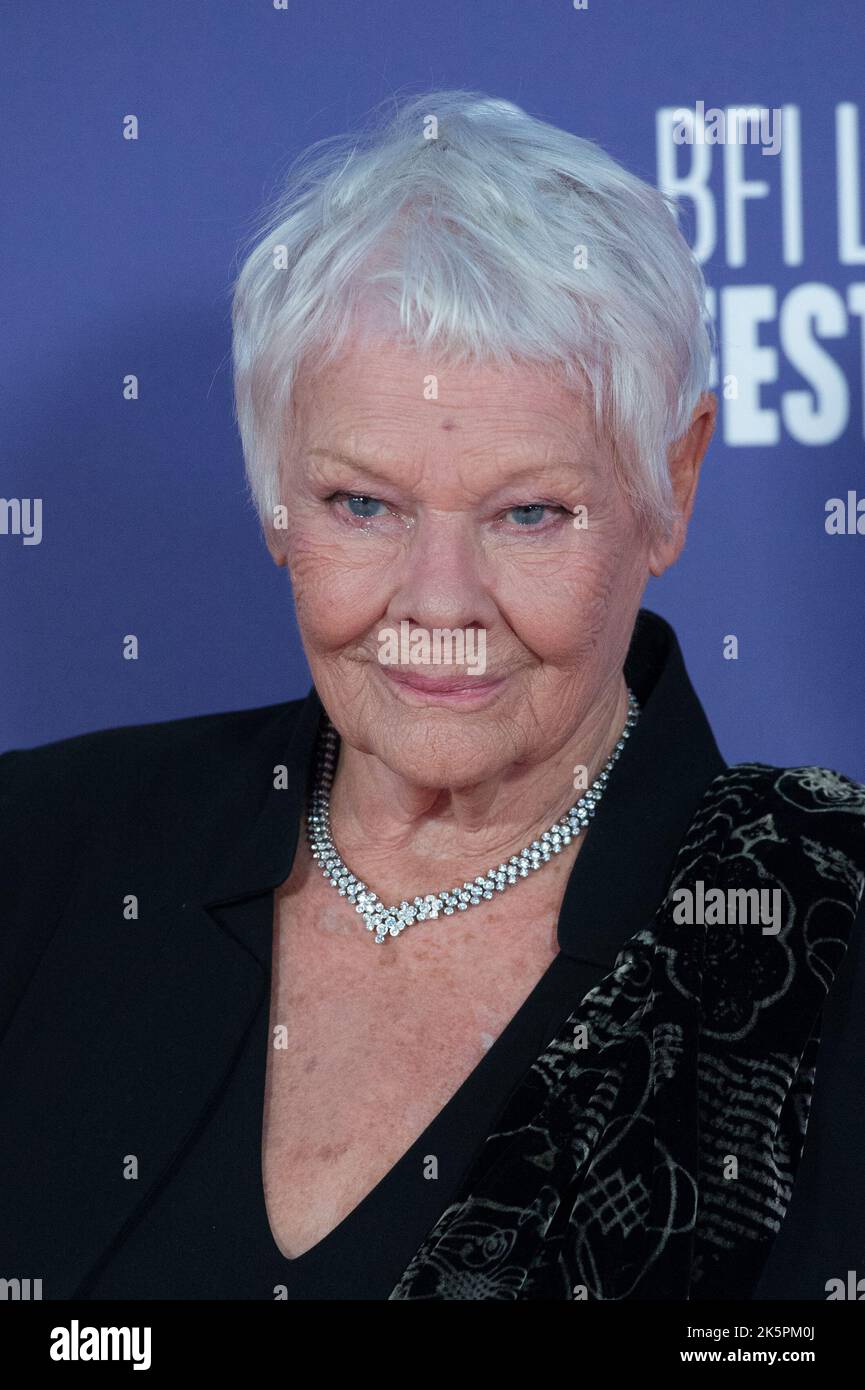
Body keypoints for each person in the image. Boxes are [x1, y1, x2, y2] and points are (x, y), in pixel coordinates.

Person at [2, 90, 863, 1301]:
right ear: (276, 500)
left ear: (671, 482)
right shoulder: (41, 853)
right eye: (364, 504)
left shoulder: (820, 942)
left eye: (527, 513)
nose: (439, 602)